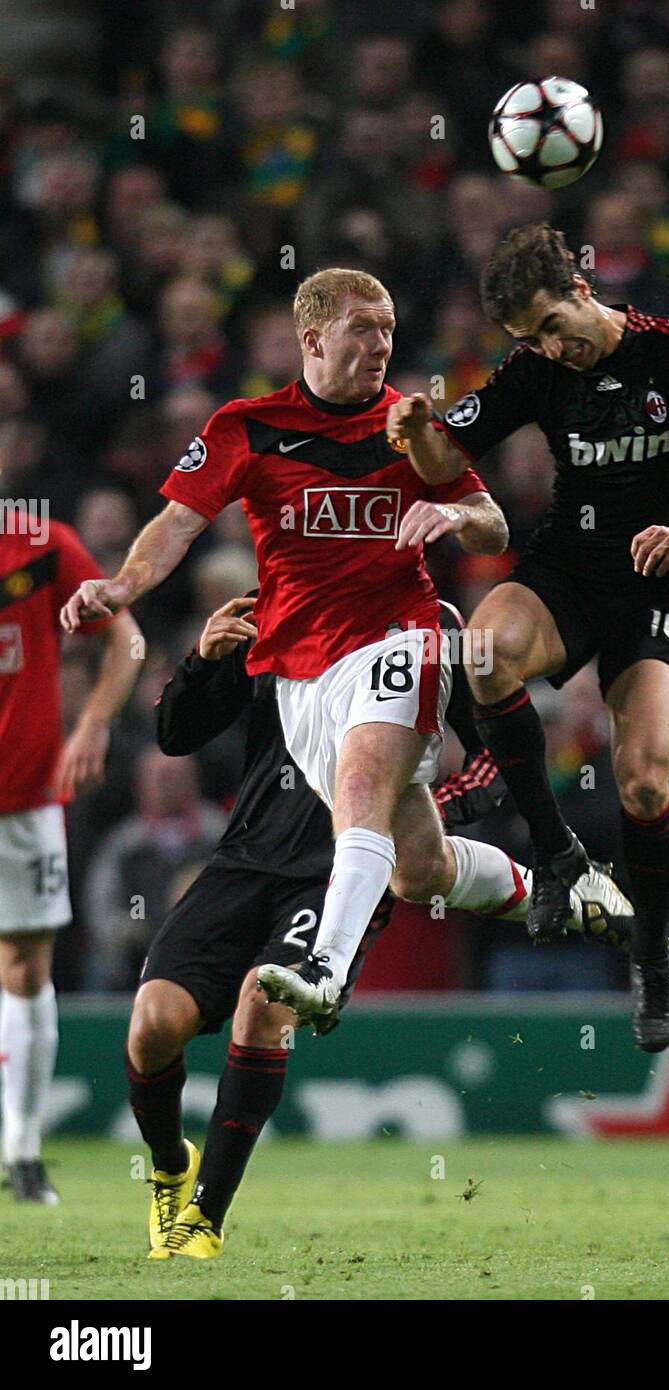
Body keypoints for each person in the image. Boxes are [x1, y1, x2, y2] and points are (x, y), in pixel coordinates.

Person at [60, 267, 631, 1027]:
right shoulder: (247, 426)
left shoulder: (411, 426)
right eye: (363, 328)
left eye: (389, 328)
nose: (381, 343)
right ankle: (565, 888)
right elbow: (176, 524)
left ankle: (323, 969)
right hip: (301, 672)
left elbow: (493, 522)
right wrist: (122, 587)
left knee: (360, 789)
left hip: (400, 637)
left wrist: (457, 521)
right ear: (312, 338)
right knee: (417, 869)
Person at [130, 593, 629, 1259]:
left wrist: (429, 811)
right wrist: (201, 660)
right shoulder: (279, 607)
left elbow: (500, 752)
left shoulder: (437, 626)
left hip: (339, 871)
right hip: (243, 859)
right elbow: (175, 736)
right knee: (153, 1025)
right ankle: (169, 1165)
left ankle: (206, 1216)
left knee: (265, 1003)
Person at [385, 224, 669, 1052]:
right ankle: (558, 854)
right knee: (484, 652)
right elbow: (445, 454)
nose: (548, 349)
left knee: (641, 784)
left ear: (580, 290)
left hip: (667, 579)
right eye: (528, 339)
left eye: (550, 327)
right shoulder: (536, 368)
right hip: (575, 564)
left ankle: (653, 953)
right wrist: (418, 430)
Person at [0, 513, 141, 1202]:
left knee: (24, 966)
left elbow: (126, 637)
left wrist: (95, 721)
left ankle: (22, 1150)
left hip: (25, 800)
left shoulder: (40, 545)